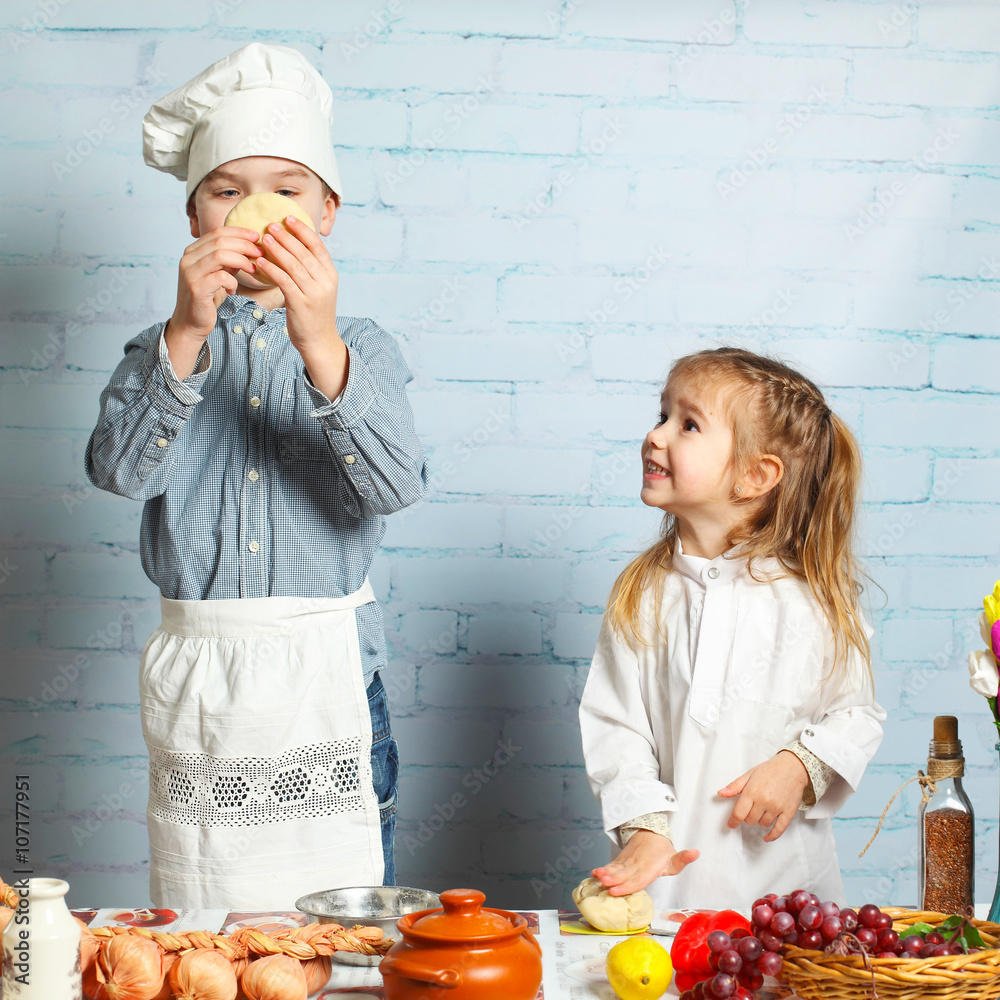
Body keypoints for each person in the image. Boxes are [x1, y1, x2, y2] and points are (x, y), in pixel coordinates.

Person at [85, 43, 425, 909]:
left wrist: (320, 341)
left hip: (334, 676)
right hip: (205, 674)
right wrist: (187, 332)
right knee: (208, 922)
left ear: (328, 211)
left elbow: (395, 487)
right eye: (227, 189)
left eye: (286, 186)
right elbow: (120, 473)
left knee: (340, 926)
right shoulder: (160, 348)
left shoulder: (366, 349)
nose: (256, 208)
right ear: (196, 219)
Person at [578, 347, 886, 911]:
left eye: (688, 423)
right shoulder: (642, 594)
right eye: (661, 415)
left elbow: (856, 714)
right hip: (671, 888)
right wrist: (644, 827)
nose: (657, 435)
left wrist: (799, 766)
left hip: (789, 895)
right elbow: (616, 725)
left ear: (755, 475)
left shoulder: (814, 600)